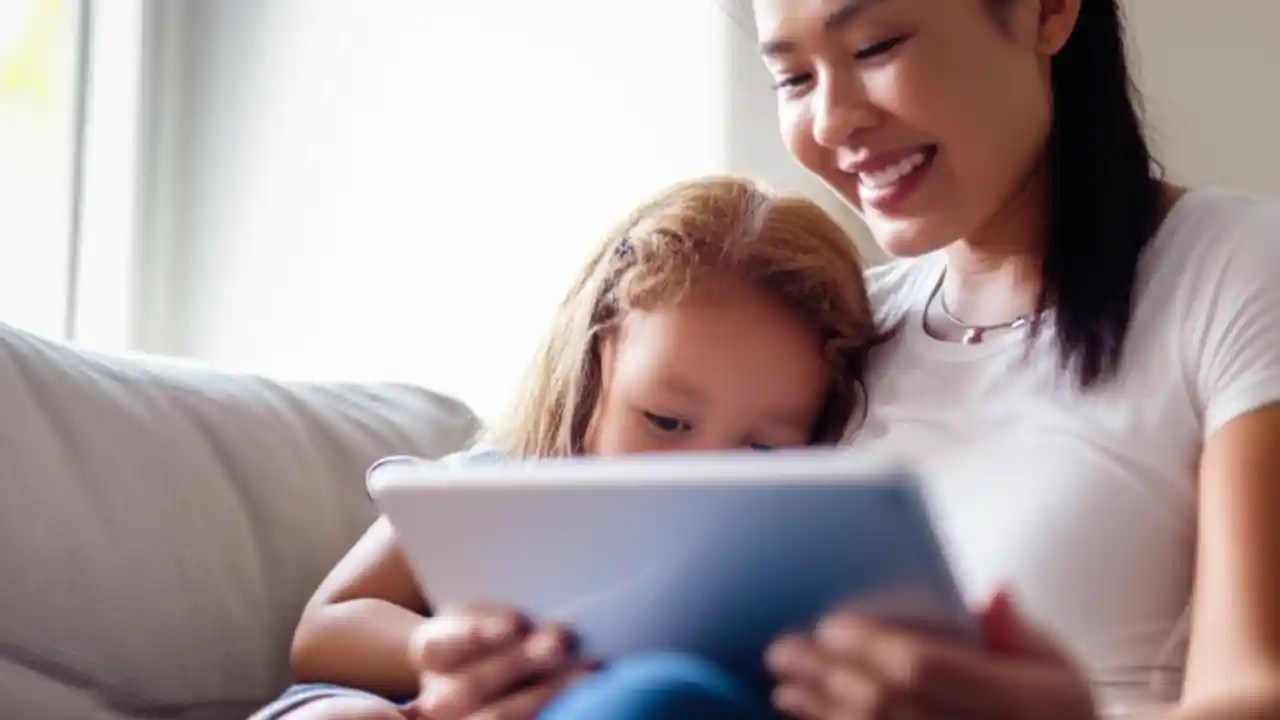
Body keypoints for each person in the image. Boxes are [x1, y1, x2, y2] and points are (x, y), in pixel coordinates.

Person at [524, 0, 1280, 718]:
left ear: (1049, 9)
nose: (831, 120)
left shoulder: (1234, 271)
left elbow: (1258, 691)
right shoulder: (835, 329)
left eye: (875, 48)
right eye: (794, 78)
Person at [251, 176, 877, 719]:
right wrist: (434, 645)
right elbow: (325, 627)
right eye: (665, 421)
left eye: (764, 450)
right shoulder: (498, 484)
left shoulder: (774, 564)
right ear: (596, 358)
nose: (696, 472)